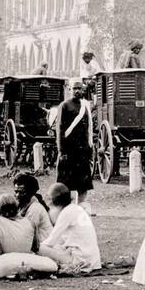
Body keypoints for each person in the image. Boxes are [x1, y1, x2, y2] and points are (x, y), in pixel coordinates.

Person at [38, 183, 102, 272]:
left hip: (81, 259)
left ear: (51, 199)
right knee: (55, 247)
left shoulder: (66, 212)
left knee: (39, 248)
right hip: (92, 259)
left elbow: (50, 242)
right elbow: (60, 241)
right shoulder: (75, 208)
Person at [55, 81, 95, 210]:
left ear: (82, 90)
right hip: (69, 149)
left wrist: (89, 148)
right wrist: (61, 150)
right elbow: (60, 129)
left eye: (79, 88)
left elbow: (89, 128)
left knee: (82, 183)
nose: (77, 91)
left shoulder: (85, 106)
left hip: (82, 149)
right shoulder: (65, 105)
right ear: (70, 90)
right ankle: (65, 207)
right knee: (66, 181)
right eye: (74, 88)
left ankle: (80, 206)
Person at [12, 172, 54, 248]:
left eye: (21, 192)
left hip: (43, 245)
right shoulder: (22, 205)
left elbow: (26, 234)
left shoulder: (35, 209)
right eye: (16, 192)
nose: (17, 195)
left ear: (29, 193)